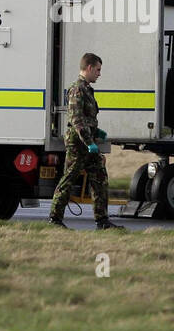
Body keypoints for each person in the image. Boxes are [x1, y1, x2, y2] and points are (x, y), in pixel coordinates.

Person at [49, 53, 124, 230]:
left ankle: (102, 220)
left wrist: (97, 132)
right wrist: (89, 142)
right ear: (89, 68)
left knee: (100, 179)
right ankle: (55, 218)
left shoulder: (87, 89)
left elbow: (86, 118)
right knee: (68, 180)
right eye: (97, 70)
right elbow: (76, 120)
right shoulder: (77, 89)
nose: (99, 73)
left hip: (88, 142)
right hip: (78, 144)